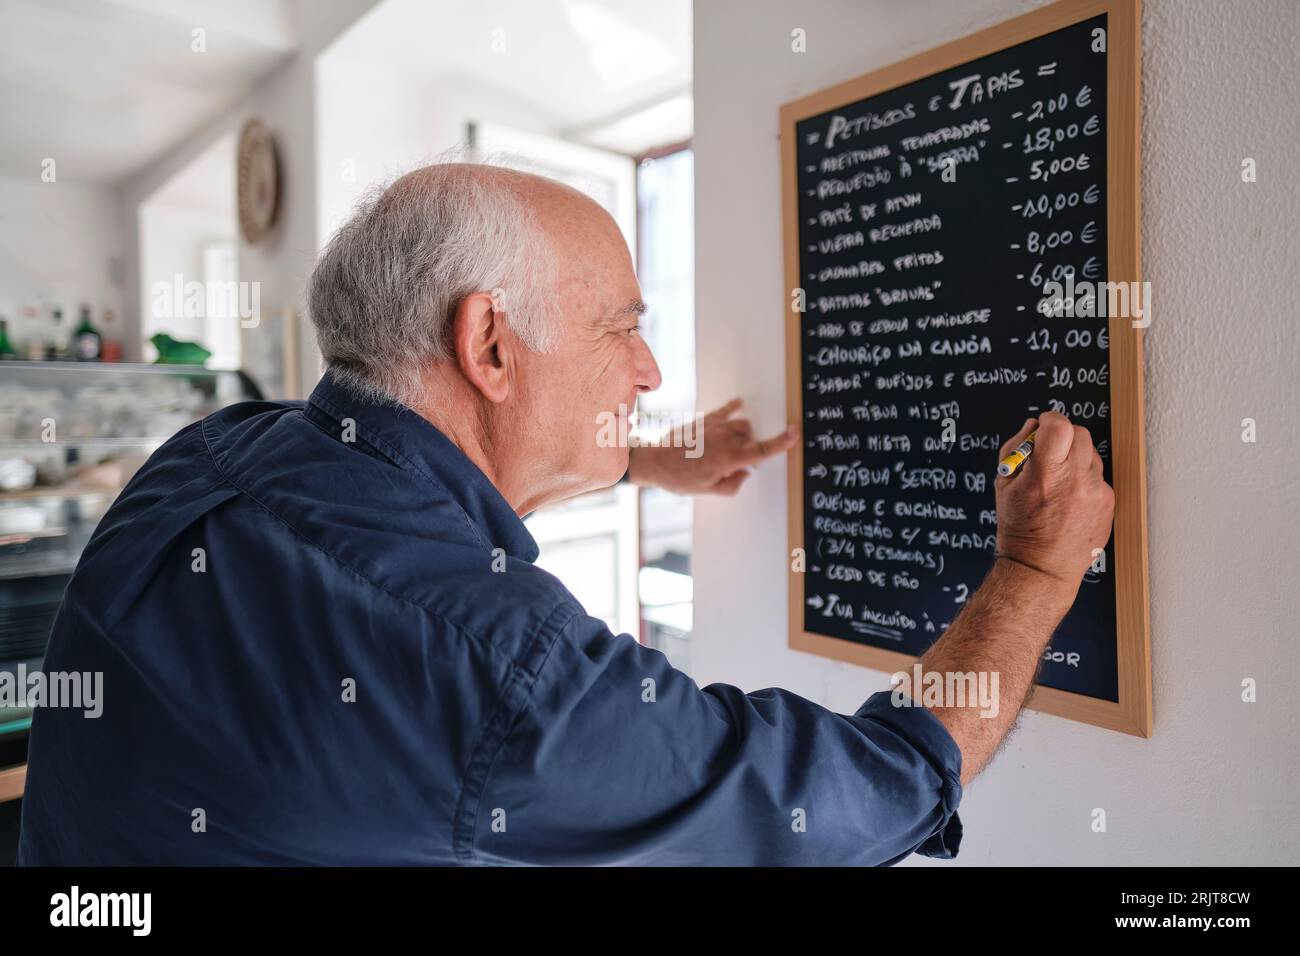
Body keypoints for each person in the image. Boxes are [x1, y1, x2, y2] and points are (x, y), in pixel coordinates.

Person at [18, 163, 1113, 865]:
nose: (647, 368)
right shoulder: (499, 661)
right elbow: (844, 803)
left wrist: (645, 461)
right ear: (489, 342)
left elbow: (411, 489)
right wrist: (1034, 571)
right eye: (620, 327)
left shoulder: (215, 449)